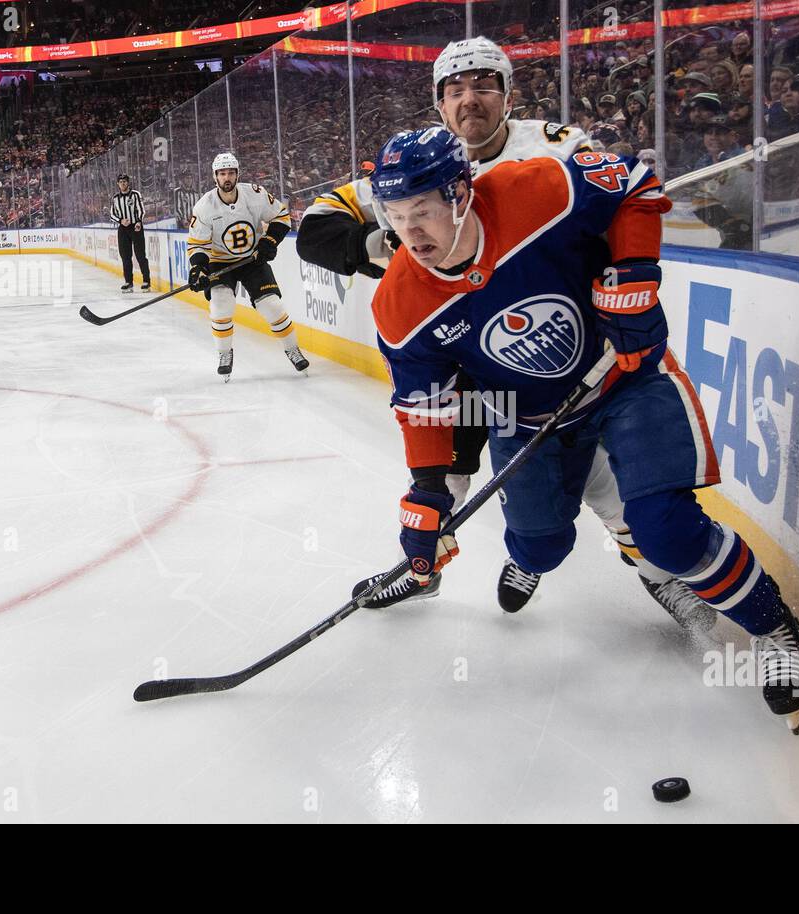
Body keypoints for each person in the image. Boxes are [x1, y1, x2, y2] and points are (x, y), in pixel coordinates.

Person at [369, 127, 799, 731]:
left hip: (623, 379)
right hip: (525, 421)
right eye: (395, 216)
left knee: (668, 533)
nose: (410, 234)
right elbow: (425, 406)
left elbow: (634, 184)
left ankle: (774, 626)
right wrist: (425, 490)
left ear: (460, 193)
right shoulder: (400, 302)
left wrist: (634, 268)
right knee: (543, 546)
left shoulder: (535, 189)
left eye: (421, 212)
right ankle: (530, 556)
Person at [299, 38, 712, 633]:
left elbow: (619, 207)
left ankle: (658, 573)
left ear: (508, 94)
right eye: (455, 89)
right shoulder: (412, 167)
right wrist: (379, 247)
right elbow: (316, 227)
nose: (470, 99)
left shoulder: (554, 147)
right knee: (443, 474)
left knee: (604, 477)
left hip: (555, 337)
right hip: (463, 349)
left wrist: (629, 285)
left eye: (484, 85)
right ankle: (425, 565)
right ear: (438, 105)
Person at [186, 152, 310, 380]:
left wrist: (269, 241)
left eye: (231, 172)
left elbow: (282, 217)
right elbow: (197, 245)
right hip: (219, 261)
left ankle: (292, 349)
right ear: (215, 177)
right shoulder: (205, 206)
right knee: (221, 305)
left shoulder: (254, 194)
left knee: (272, 306)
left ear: (237, 174)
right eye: (222, 173)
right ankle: (224, 353)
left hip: (252, 259)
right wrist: (199, 269)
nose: (227, 178)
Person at [110, 174, 151, 292]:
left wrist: (138, 222)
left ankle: (146, 281)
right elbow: (112, 214)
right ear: (118, 184)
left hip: (136, 227)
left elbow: (141, 210)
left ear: (128, 183)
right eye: (120, 182)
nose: (123, 183)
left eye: (124, 181)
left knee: (140, 255)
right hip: (123, 229)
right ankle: (129, 282)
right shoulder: (115, 198)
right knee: (125, 257)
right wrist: (121, 220)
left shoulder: (135, 194)